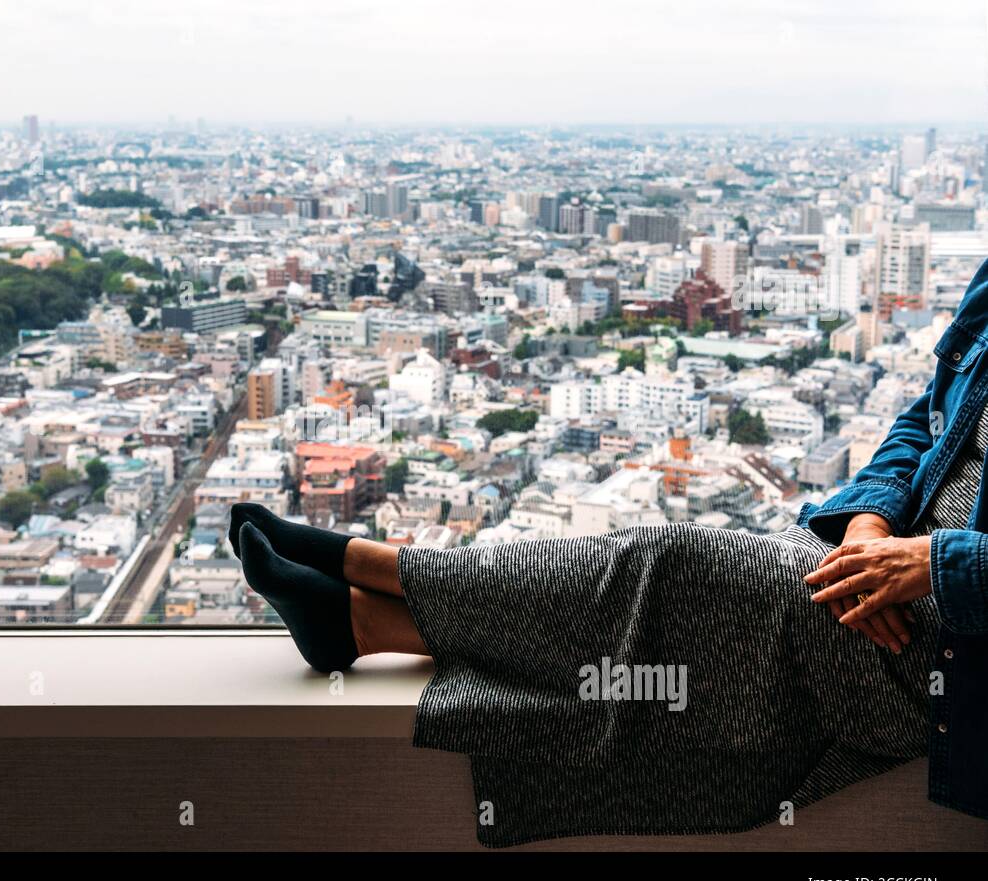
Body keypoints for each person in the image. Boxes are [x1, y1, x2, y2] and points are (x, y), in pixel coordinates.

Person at [227, 260, 988, 848]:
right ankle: (362, 620)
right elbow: (922, 417)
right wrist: (868, 522)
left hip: (946, 645)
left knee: (677, 566)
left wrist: (935, 566)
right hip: (876, 564)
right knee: (679, 595)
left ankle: (374, 573)